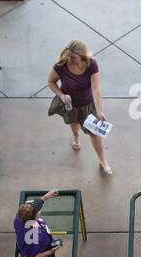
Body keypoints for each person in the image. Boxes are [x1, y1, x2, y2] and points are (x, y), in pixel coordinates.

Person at [47, 39, 112, 174]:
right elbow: (51, 81)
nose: (69, 59)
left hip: (88, 106)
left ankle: (102, 161)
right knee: (74, 122)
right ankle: (76, 137)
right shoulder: (61, 65)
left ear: (82, 56)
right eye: (68, 55)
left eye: (73, 57)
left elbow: (96, 89)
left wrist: (99, 111)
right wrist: (61, 95)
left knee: (95, 133)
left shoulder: (91, 64)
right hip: (70, 104)